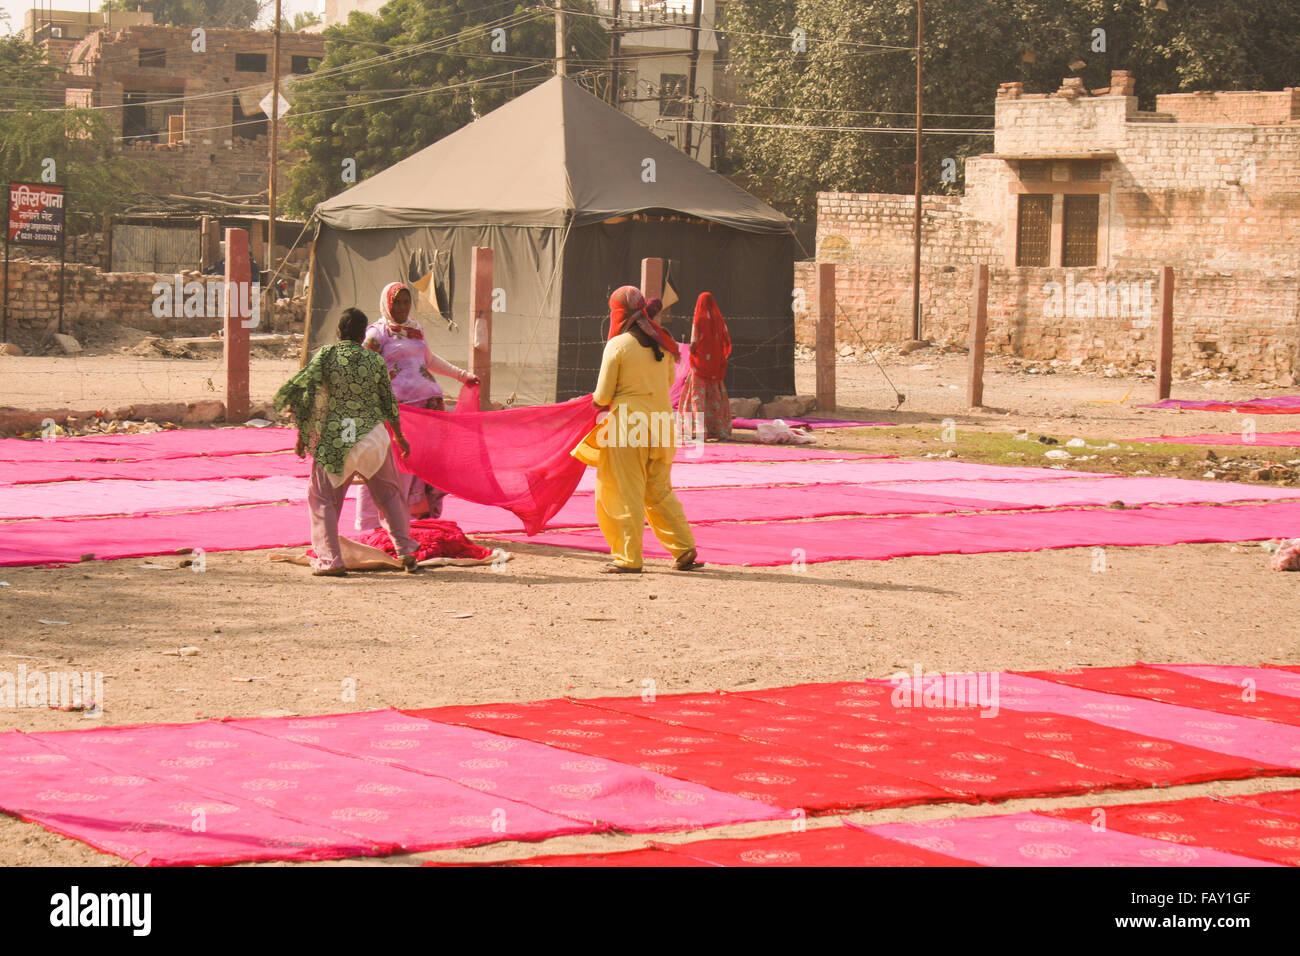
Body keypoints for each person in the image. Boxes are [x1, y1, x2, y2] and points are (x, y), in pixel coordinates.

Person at [274, 307, 420, 577]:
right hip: (372, 437)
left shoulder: (326, 356)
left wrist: (302, 436)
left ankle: (331, 560)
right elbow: (388, 403)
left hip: (336, 438)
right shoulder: (374, 361)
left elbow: (303, 391)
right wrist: (400, 437)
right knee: (389, 495)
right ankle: (405, 550)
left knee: (322, 498)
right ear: (363, 334)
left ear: (338, 332)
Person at [590, 285, 702, 574]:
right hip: (663, 424)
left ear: (617, 313)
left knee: (623, 491)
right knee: (659, 490)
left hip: (627, 425)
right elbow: (666, 384)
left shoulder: (617, 345)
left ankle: (628, 558)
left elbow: (602, 396)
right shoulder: (663, 344)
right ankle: (683, 547)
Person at [355, 281, 478, 530]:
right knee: (384, 464)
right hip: (396, 411)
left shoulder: (416, 329)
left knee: (418, 464)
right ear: (386, 304)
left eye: (405, 302)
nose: (401, 307)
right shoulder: (376, 334)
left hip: (427, 408)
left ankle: (407, 519)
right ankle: (372, 522)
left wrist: (462, 375)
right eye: (396, 302)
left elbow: (429, 360)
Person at [677, 292, 732, 441]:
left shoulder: (699, 320)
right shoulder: (719, 321)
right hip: (715, 365)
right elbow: (726, 342)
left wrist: (692, 353)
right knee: (714, 396)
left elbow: (694, 342)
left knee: (697, 396)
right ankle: (719, 429)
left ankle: (699, 430)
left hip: (699, 365)